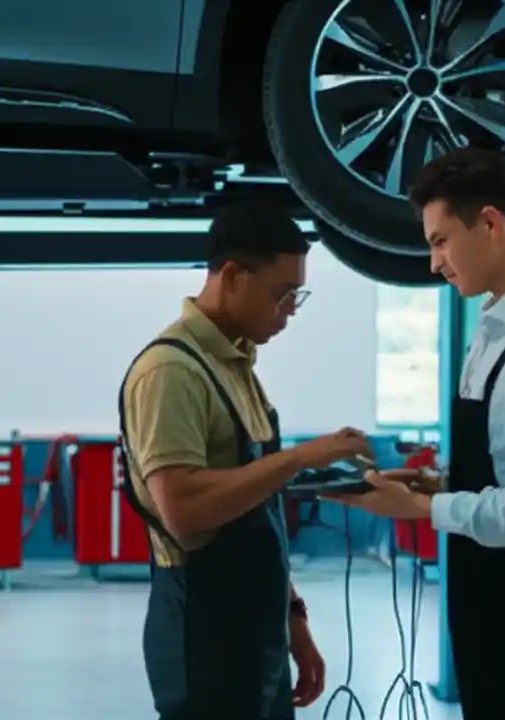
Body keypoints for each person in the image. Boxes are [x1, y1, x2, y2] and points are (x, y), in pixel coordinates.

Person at [326, 147, 505, 720]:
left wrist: (423, 510)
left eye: (439, 241)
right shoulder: (494, 326)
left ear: (489, 223)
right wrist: (436, 485)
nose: (434, 262)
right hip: (485, 586)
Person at [117, 201, 375, 720]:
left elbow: (257, 509)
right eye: (282, 295)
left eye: (296, 296)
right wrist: (299, 458)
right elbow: (185, 511)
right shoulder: (171, 371)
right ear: (232, 276)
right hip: (206, 636)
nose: (290, 311)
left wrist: (293, 619)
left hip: (256, 628)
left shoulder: (235, 365)